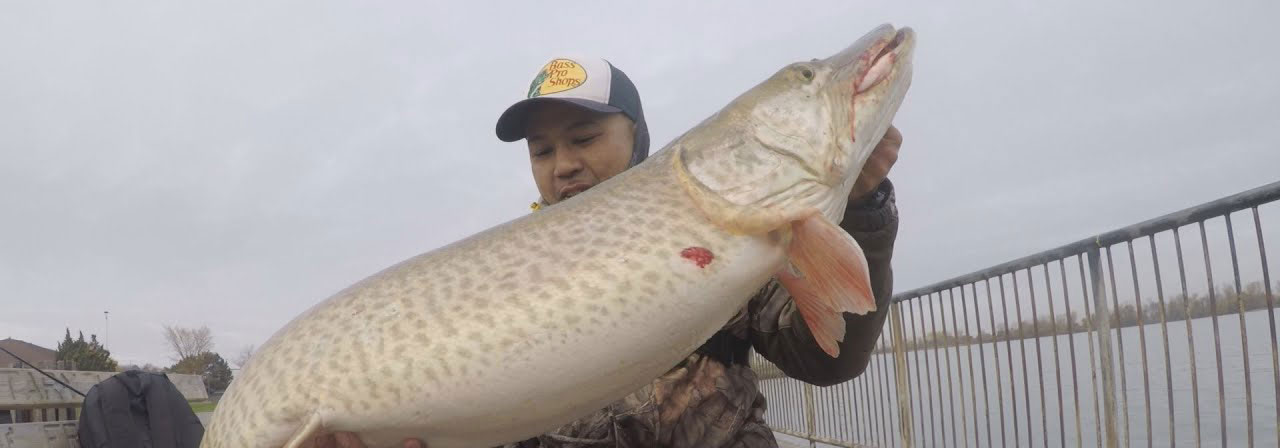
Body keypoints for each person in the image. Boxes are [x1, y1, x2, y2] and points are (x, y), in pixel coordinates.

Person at [323, 56, 902, 448]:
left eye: (583, 138)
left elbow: (831, 360)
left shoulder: (733, 227)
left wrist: (864, 209)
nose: (563, 164)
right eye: (541, 151)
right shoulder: (498, 279)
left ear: (638, 136)